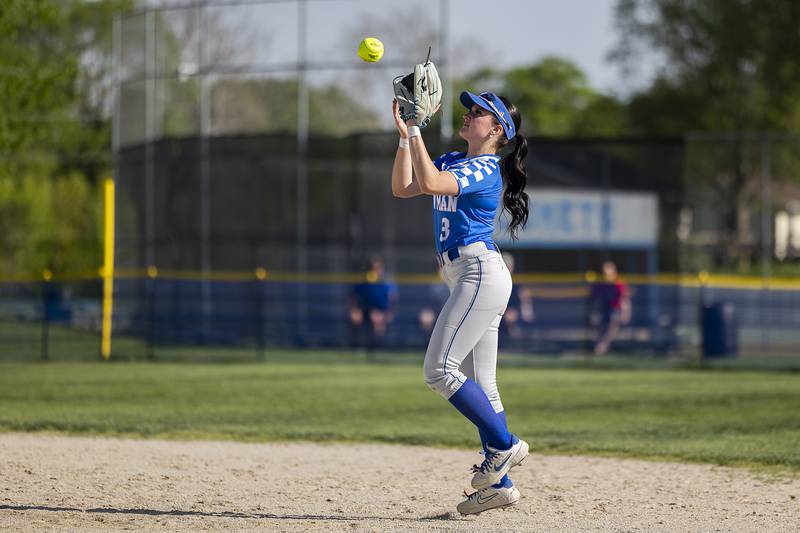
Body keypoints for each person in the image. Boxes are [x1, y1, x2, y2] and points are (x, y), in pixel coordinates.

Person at [391, 91, 530, 515]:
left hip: (479, 273)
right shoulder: (453, 159)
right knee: (483, 386)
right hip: (466, 277)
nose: (469, 115)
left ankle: (507, 446)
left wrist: (417, 128)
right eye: (470, 110)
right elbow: (403, 188)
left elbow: (430, 184)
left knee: (439, 371)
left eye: (479, 113)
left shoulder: (486, 168)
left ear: (497, 131)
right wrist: (403, 137)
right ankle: (499, 486)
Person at [347, 257, 397, 352]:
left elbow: (393, 300)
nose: (375, 271)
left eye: (377, 268)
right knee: (355, 317)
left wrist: (389, 313)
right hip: (365, 309)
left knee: (376, 317)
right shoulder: (363, 281)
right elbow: (353, 298)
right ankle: (356, 346)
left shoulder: (386, 282)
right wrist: (353, 310)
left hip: (381, 311)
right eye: (372, 268)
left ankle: (378, 348)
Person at [589, 260, 632, 355]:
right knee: (600, 328)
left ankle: (601, 347)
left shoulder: (619, 285)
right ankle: (601, 347)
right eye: (604, 273)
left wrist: (626, 313)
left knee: (611, 325)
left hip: (615, 310)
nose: (606, 275)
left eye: (608, 273)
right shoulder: (601, 285)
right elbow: (593, 297)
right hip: (603, 310)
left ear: (614, 273)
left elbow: (625, 300)